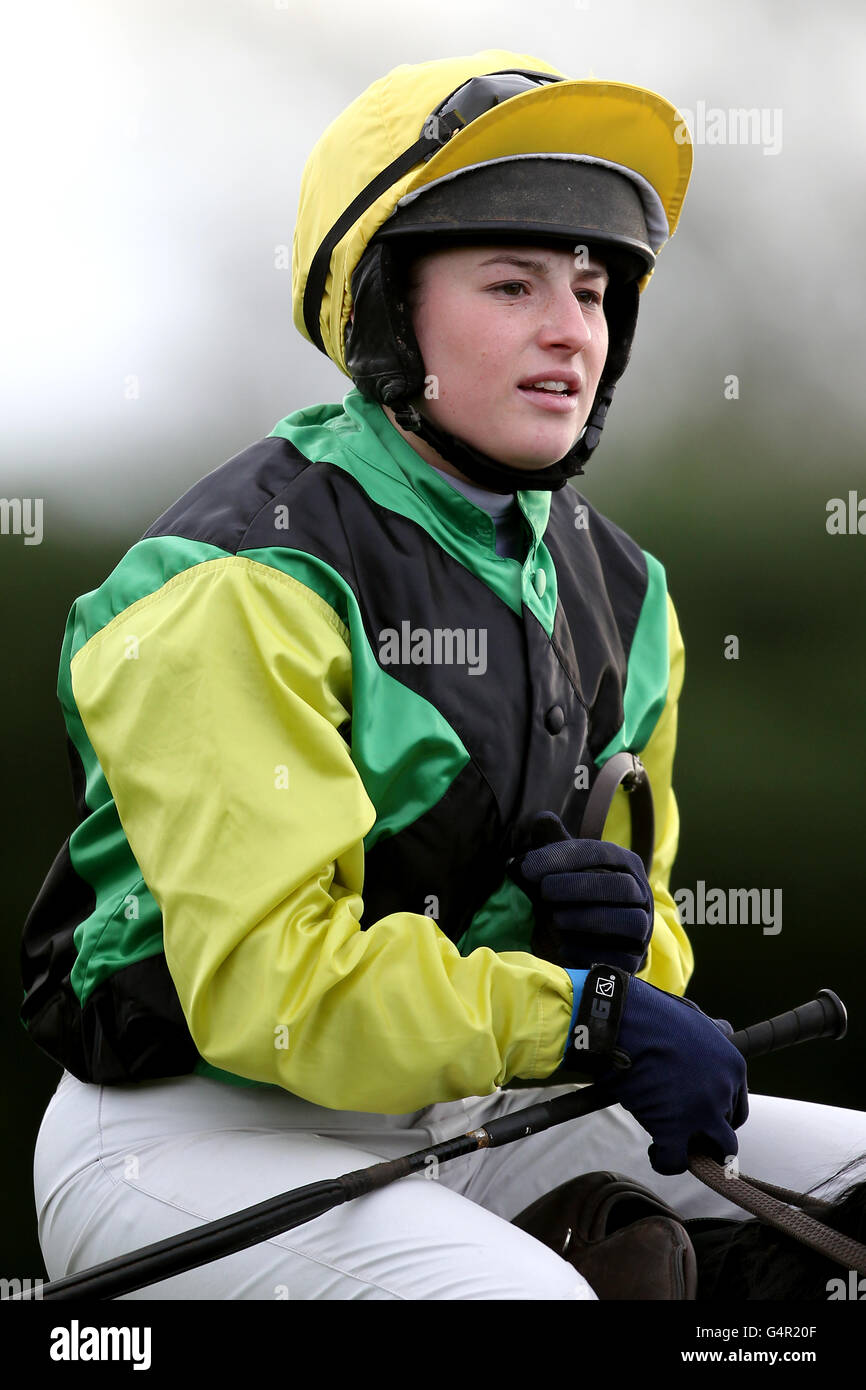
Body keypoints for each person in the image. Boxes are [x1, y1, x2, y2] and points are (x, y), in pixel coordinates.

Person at [21, 49, 866, 1301]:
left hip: (476, 1116)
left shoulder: (627, 596)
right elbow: (278, 989)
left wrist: (628, 951)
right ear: (380, 315)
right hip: (192, 1138)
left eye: (591, 290)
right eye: (511, 284)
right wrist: (584, 1013)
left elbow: (644, 973)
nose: (568, 330)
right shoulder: (234, 579)